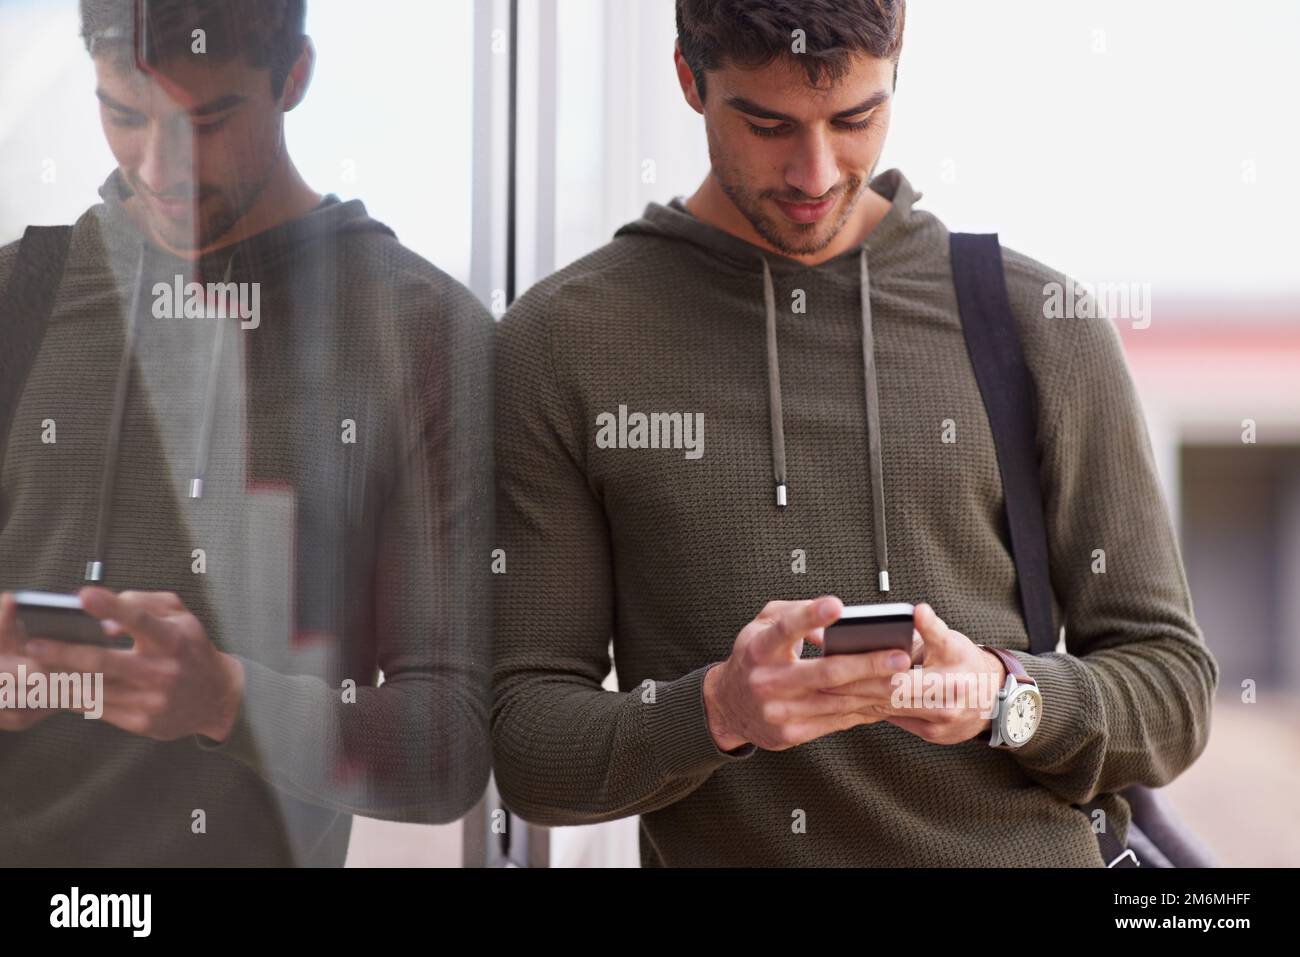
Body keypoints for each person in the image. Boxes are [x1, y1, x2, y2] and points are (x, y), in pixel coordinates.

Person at [491, 0, 1218, 866]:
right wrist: (718, 710)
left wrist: (1005, 695)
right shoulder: (563, 343)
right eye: (766, 123)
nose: (815, 172)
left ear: (897, 70)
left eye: (856, 118)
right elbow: (528, 743)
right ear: (689, 78)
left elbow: (1173, 690)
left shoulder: (1039, 325)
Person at [0, 0, 493, 866]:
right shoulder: (13, 300)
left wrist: (225, 699)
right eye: (125, 114)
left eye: (208, 120)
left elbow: (451, 747)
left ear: (295, 75)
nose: (162, 168)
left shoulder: (425, 334)